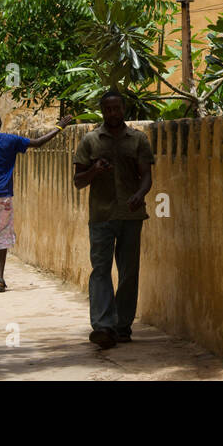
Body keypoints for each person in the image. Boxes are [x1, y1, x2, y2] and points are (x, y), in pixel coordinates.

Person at [72, 90, 154, 349]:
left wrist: (140, 194)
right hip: (101, 216)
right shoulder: (90, 141)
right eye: (108, 109)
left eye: (117, 108)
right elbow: (77, 181)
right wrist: (94, 170)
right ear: (102, 111)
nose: (113, 113)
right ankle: (103, 325)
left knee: (129, 272)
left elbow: (147, 176)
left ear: (123, 109)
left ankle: (122, 326)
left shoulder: (138, 140)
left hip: (131, 215)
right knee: (100, 270)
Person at [0, 110, 72, 292]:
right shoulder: (11, 140)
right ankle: (0, 278)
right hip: (5, 196)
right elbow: (38, 143)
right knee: (3, 237)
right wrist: (59, 127)